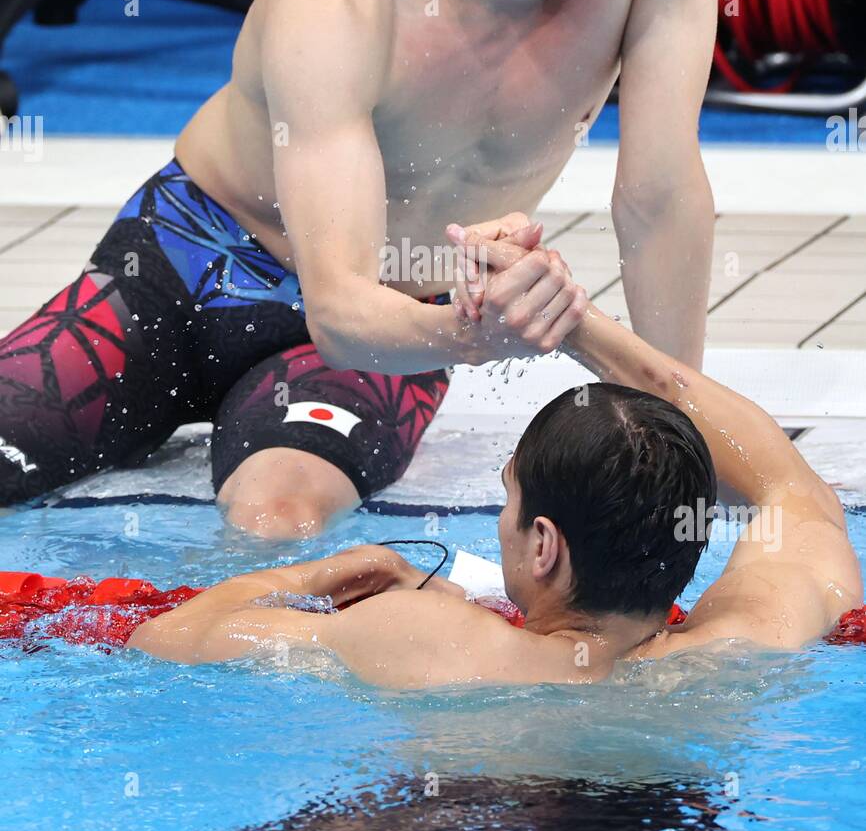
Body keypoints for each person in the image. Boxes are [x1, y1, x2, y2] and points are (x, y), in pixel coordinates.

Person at [0, 0, 716, 542]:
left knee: (276, 519)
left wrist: (675, 439)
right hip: (187, 263)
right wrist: (475, 334)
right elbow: (336, 303)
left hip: (395, 313)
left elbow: (660, 192)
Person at [124, 231, 862, 683]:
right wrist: (576, 323)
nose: (505, 518)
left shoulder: (430, 642)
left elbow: (165, 638)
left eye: (510, 499)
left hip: (482, 822)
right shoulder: (756, 634)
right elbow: (790, 490)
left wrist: (317, 573)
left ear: (544, 545)